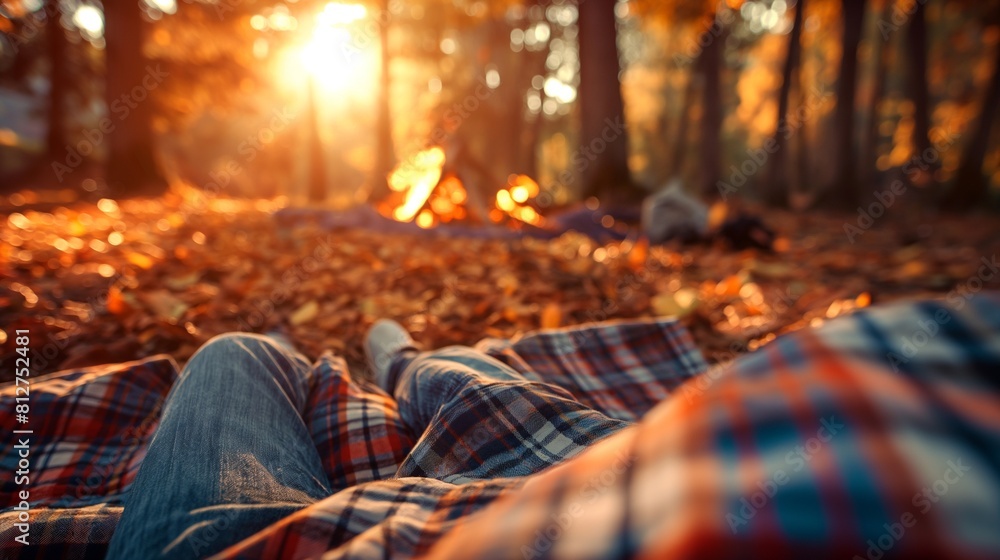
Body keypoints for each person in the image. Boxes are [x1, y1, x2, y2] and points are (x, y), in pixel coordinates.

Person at [107, 295, 1000, 559]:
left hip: (245, 546)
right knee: (455, 377)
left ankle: (360, 344)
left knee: (237, 354)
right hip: (580, 475)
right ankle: (390, 344)